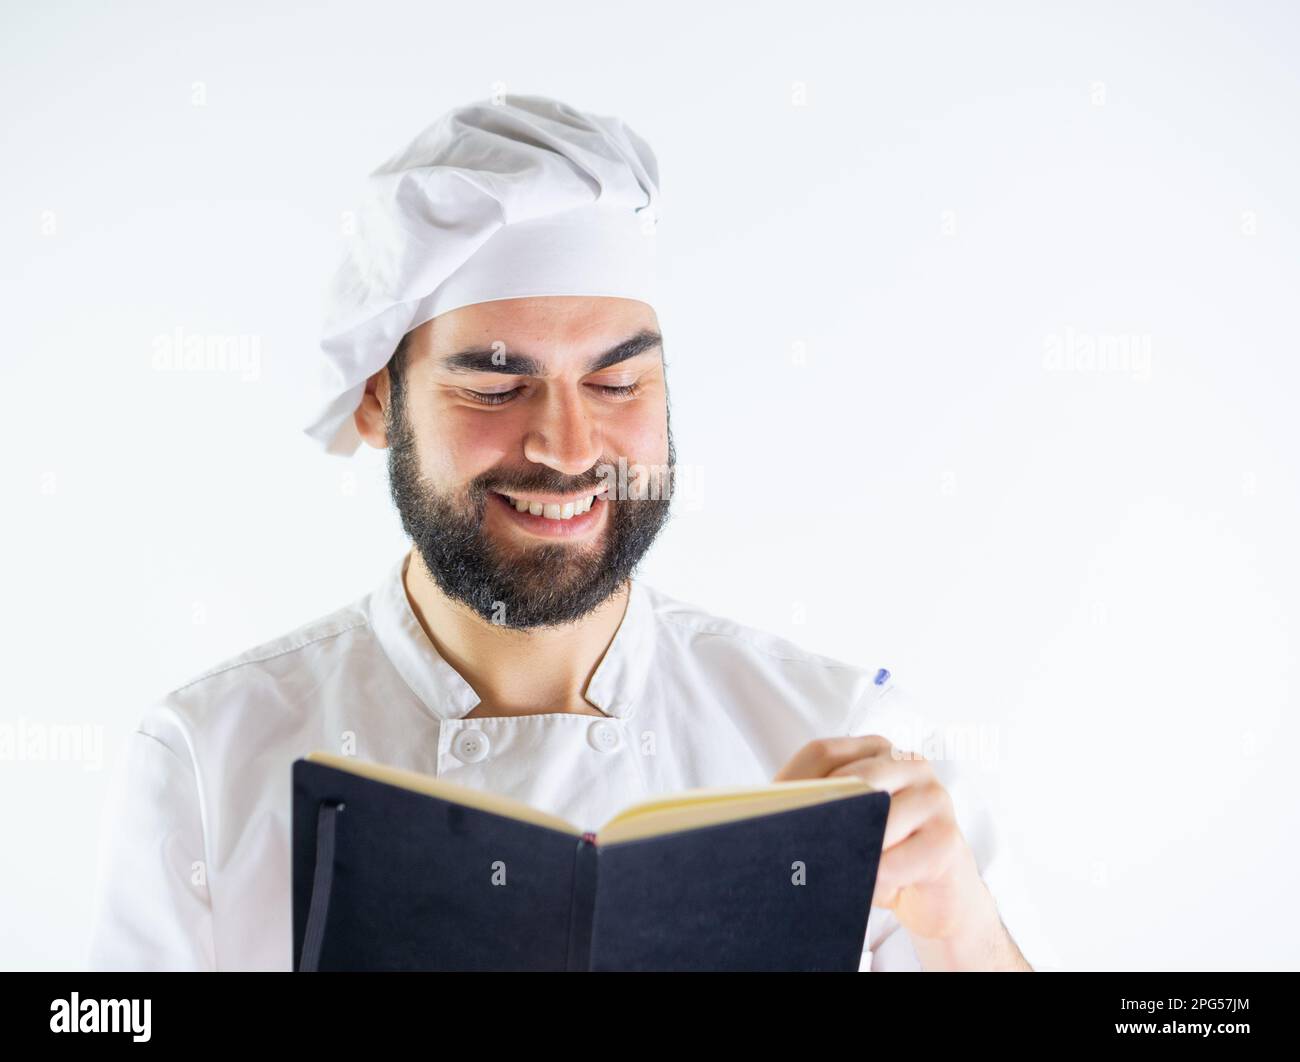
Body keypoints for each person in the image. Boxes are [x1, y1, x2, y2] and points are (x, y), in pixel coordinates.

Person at [88, 94, 1036, 971]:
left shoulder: (846, 742)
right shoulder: (210, 761)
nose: (569, 446)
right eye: (497, 386)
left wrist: (963, 930)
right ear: (380, 401)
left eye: (618, 383)